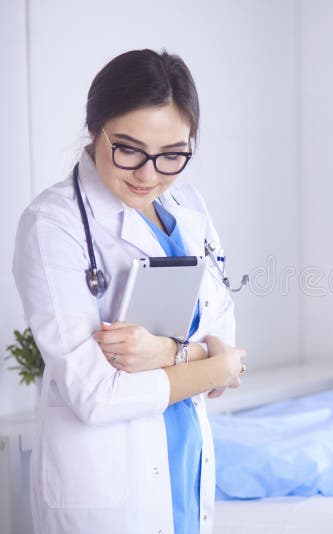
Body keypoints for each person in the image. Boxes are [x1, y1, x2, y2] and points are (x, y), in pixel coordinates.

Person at [13, 49, 247, 534]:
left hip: (183, 466)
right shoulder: (52, 224)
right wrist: (211, 362)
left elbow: (226, 341)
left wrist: (171, 352)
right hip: (108, 489)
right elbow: (96, 393)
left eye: (172, 156)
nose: (148, 174)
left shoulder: (187, 206)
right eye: (128, 149)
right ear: (95, 129)